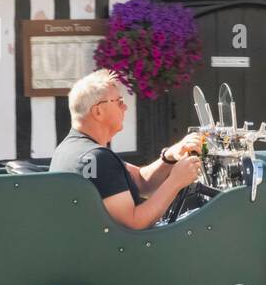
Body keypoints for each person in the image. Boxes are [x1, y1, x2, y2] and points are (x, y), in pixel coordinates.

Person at [51, 69, 203, 230]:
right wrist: (176, 181)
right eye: (119, 101)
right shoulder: (97, 158)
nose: (125, 108)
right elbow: (134, 222)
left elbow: (142, 181)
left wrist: (169, 158)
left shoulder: (70, 149)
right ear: (98, 111)